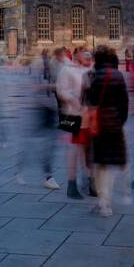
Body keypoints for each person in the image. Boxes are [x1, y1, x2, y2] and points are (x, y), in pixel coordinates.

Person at [84, 48, 128, 216]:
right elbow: (124, 102)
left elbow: (89, 101)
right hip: (114, 124)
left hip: (98, 124)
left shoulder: (93, 75)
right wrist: (120, 121)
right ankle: (107, 201)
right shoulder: (118, 75)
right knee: (110, 163)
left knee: (100, 163)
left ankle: (102, 200)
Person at [56, 48, 90, 199]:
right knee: (73, 150)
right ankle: (71, 185)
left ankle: (89, 182)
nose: (87, 55)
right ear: (76, 55)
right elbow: (61, 91)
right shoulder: (66, 69)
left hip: (86, 115)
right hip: (70, 115)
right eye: (84, 52)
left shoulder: (87, 69)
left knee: (85, 149)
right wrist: (73, 100)